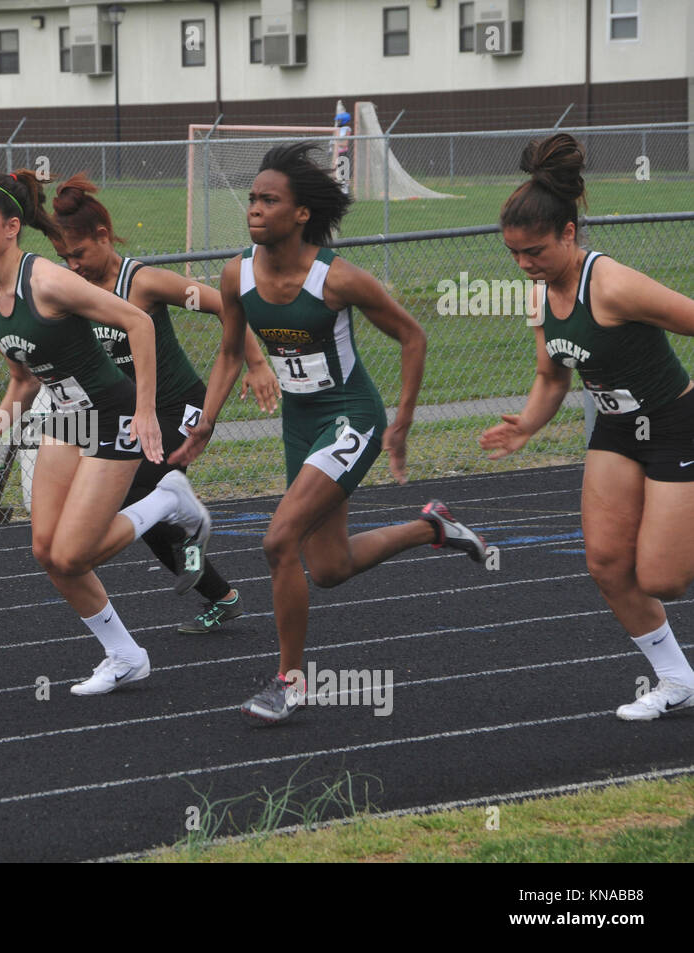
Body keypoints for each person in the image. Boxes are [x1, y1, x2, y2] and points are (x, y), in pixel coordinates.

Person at [171, 142, 487, 724]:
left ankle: (289, 683)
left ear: (301, 215)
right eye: (252, 199)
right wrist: (206, 422)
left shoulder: (339, 281)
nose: (254, 209)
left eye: (270, 200)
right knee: (330, 567)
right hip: (301, 425)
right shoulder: (236, 274)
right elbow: (227, 354)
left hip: (350, 419)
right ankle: (431, 527)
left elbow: (413, 336)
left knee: (277, 539)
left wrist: (403, 422)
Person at [0, 169, 211, 695]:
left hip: (113, 413)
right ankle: (125, 654)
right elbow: (22, 379)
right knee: (46, 551)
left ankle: (167, 501)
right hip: (66, 418)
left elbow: (137, 322)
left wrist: (144, 409)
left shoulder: (45, 279)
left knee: (74, 555)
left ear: (12, 227)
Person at [480, 132, 694, 721]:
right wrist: (526, 424)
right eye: (514, 254)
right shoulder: (539, 295)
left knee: (663, 576)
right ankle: (677, 680)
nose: (525, 264)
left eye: (537, 251)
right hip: (617, 430)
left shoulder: (615, 284)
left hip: (675, 423)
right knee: (605, 563)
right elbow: (552, 378)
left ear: (569, 233)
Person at [49, 173, 276, 634]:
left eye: (79, 254)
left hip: (180, 407)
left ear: (102, 237)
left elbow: (223, 305)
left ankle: (192, 529)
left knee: (137, 495)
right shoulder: (77, 293)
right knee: (146, 520)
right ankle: (223, 597)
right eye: (63, 259)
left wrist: (256, 361)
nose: (73, 266)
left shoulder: (144, 282)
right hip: (135, 415)